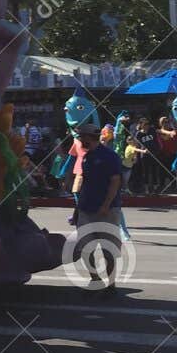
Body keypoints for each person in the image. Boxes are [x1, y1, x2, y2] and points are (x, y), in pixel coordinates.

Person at [71, 122, 124, 294]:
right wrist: (78, 209)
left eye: (81, 137)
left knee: (108, 250)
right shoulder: (86, 156)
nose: (79, 140)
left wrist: (106, 205)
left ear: (89, 137)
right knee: (86, 249)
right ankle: (95, 280)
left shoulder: (109, 156)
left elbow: (115, 181)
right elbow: (86, 183)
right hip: (86, 209)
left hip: (106, 211)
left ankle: (111, 285)